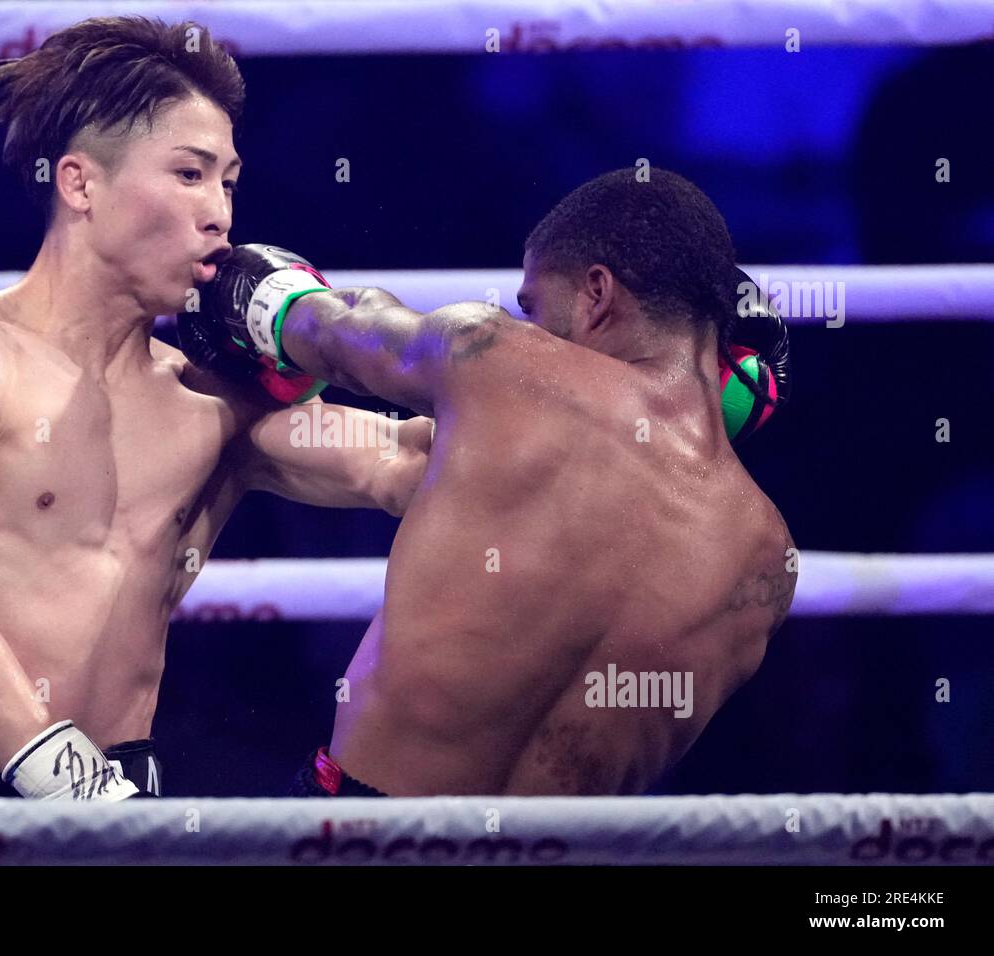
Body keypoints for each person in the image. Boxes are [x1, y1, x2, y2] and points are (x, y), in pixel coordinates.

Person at [0, 16, 430, 800]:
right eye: (190, 174)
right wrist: (86, 799)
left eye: (228, 181)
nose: (221, 213)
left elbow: (418, 463)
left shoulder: (210, 402)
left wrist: (337, 333)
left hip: (130, 785)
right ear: (80, 183)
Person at [192, 168, 795, 796]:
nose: (528, 326)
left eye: (534, 306)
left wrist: (260, 295)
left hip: (365, 836)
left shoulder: (501, 361)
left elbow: (337, 330)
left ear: (597, 293)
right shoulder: (769, 560)